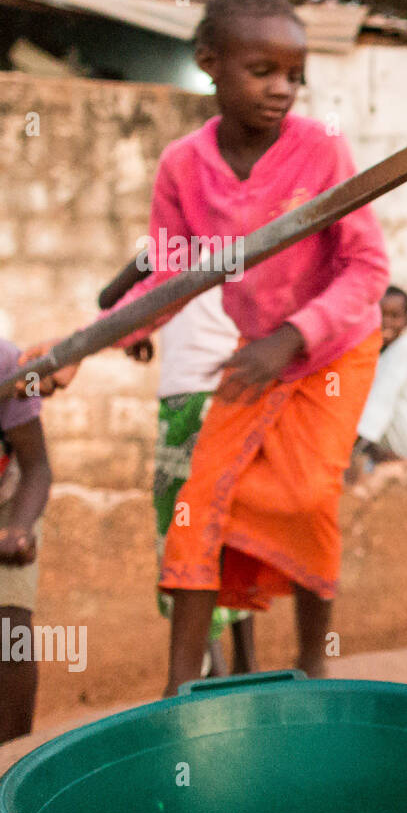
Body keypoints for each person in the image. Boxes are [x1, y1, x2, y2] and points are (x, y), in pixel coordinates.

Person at [30, 0, 388, 696]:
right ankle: (178, 691)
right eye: (263, 71)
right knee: (199, 505)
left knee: (306, 498)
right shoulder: (183, 167)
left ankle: (315, 663)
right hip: (255, 353)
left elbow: (367, 267)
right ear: (210, 64)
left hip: (331, 350)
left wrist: (291, 337)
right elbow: (169, 277)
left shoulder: (321, 149)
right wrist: (75, 353)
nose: (283, 89)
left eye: (295, 74)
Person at [97, 265, 254, 678]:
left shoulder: (169, 247)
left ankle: (213, 676)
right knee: (225, 532)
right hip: (241, 391)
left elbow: (108, 299)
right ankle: (245, 667)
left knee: (186, 536)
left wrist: (138, 323)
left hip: (191, 397)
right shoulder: (242, 228)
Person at [0, 333, 52, 744]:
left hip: (5, 502)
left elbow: (38, 467)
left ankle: (9, 763)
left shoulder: (3, 365)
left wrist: (20, 528)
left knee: (8, 628)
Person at [348, 285, 407, 482]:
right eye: (380, 315)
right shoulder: (373, 353)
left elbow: (379, 402)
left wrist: (345, 448)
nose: (386, 322)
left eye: (394, 315)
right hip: (391, 457)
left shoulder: (405, 348)